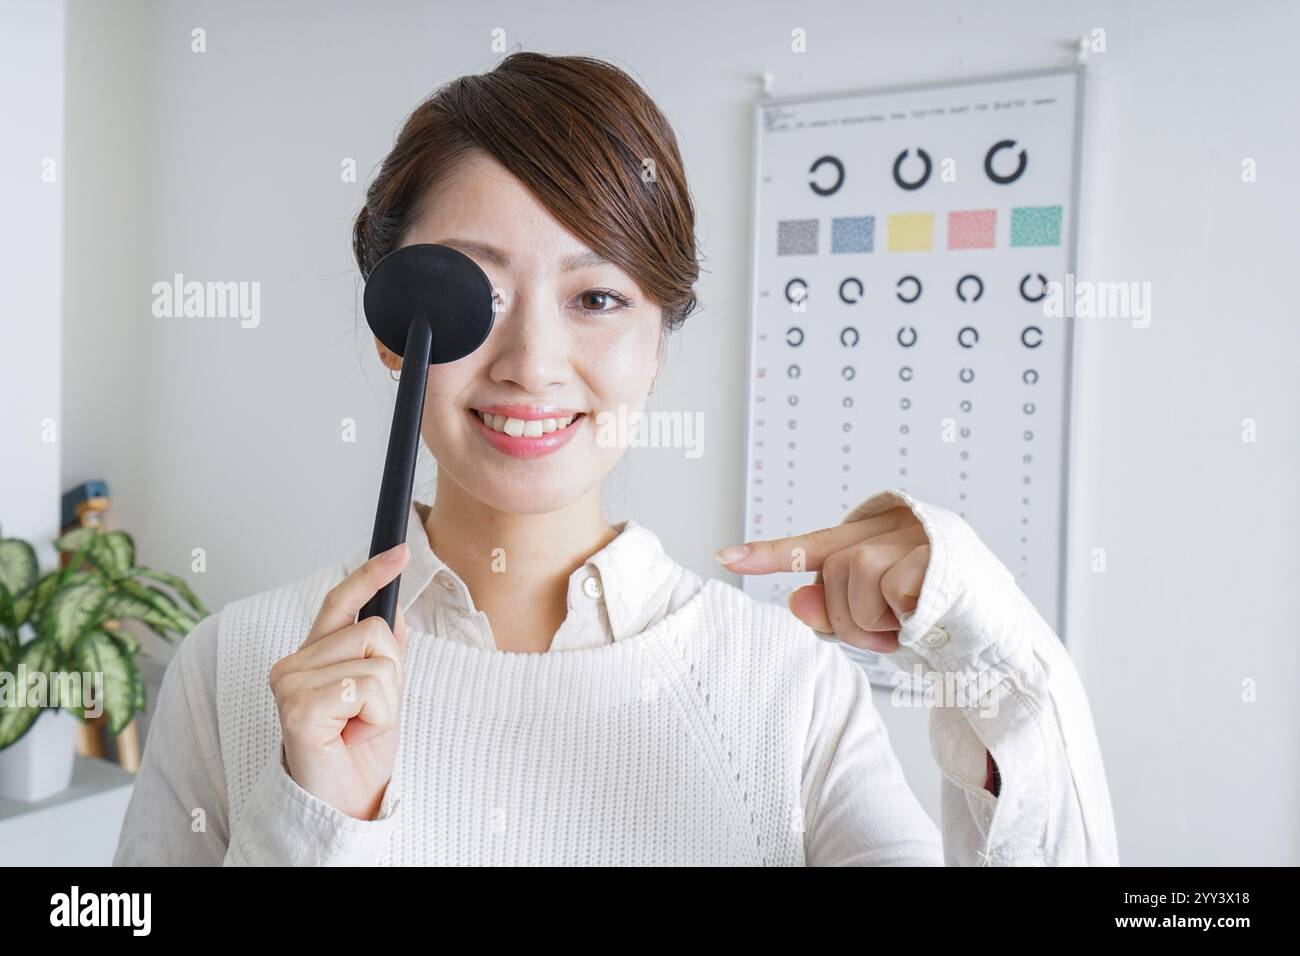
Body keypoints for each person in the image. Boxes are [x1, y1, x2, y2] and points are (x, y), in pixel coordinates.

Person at [113, 52, 1117, 866]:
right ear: (393, 325)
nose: (532, 365)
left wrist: (987, 649)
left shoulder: (788, 688)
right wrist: (310, 825)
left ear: (657, 341)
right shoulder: (237, 666)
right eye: (475, 293)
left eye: (597, 298)